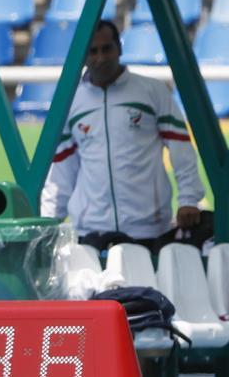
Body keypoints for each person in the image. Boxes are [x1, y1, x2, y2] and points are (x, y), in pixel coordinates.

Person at [40, 21, 206, 251]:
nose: (100, 58)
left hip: (150, 230)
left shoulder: (152, 91)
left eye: (106, 48)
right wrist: (47, 222)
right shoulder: (70, 102)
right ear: (83, 55)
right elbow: (61, 171)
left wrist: (188, 198)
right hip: (90, 233)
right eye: (93, 51)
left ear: (119, 48)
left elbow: (181, 149)